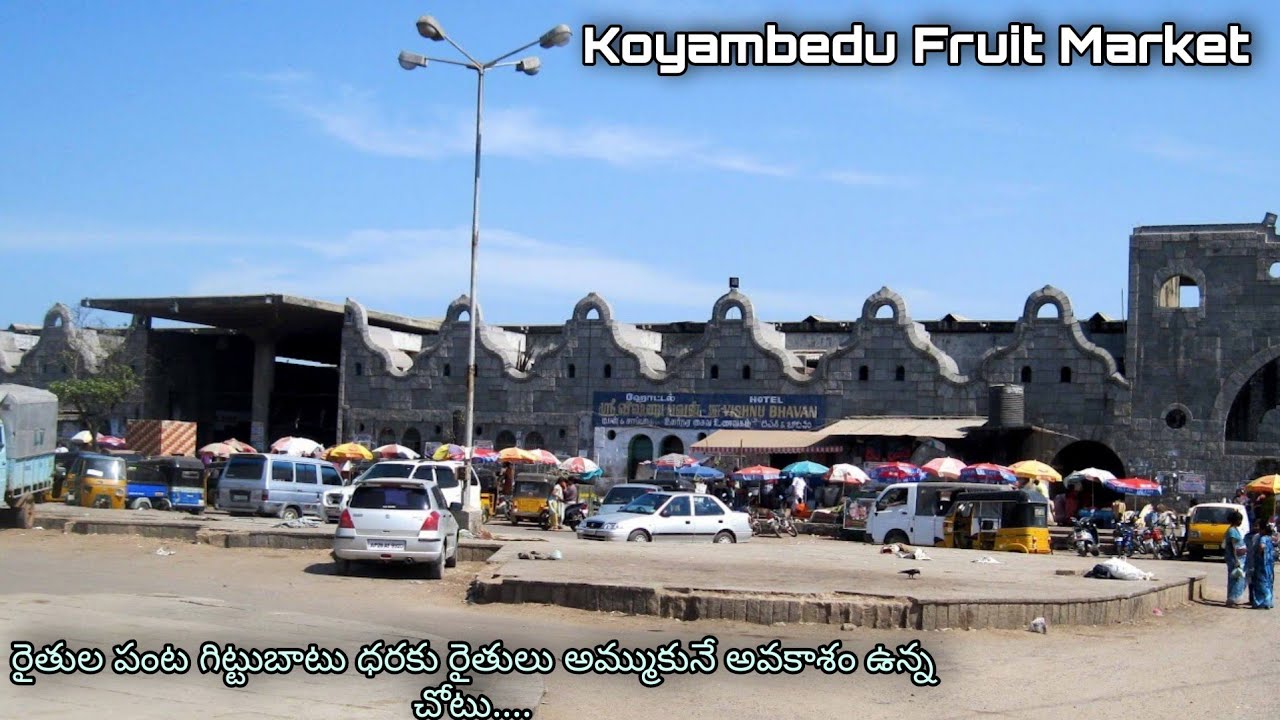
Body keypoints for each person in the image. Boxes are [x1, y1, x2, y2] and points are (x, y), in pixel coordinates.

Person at [1225, 510, 1248, 607]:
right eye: (1240, 520)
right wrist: (1237, 560)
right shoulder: (1232, 531)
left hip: (1240, 558)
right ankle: (1232, 600)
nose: (1241, 522)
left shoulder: (1235, 529)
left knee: (1238, 579)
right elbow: (1233, 546)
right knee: (1236, 579)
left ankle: (1234, 599)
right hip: (1235, 559)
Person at [1249, 523, 1275, 609]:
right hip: (1269, 564)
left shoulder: (1263, 538)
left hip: (1261, 564)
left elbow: (1262, 546)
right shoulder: (1270, 539)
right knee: (1268, 582)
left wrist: (1259, 554)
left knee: (1261, 583)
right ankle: (1269, 601)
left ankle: (1262, 602)